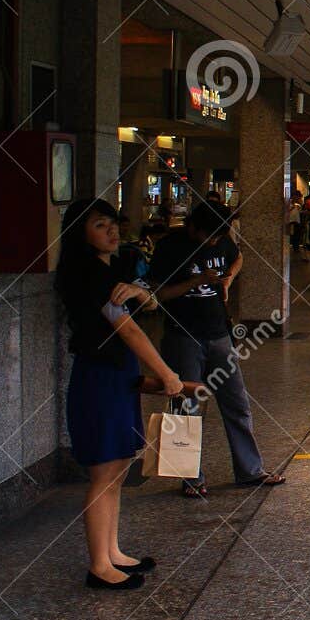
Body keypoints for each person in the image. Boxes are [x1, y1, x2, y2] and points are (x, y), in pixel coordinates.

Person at [55, 198, 199, 590]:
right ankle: (100, 565)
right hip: (99, 377)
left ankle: (113, 552)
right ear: (81, 234)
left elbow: (149, 304)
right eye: (100, 225)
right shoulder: (88, 273)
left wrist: (138, 292)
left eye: (113, 223)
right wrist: (167, 374)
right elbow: (129, 331)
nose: (112, 231)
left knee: (118, 467)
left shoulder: (113, 269)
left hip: (119, 374)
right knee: (104, 471)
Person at [149, 202, 286, 497]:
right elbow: (159, 294)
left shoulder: (222, 238)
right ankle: (191, 478)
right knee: (188, 407)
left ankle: (250, 470)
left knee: (237, 403)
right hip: (183, 337)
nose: (214, 242)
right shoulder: (170, 247)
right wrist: (197, 281)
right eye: (209, 236)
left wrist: (228, 279)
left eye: (218, 237)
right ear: (193, 226)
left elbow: (238, 258)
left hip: (219, 333)